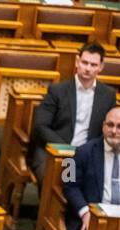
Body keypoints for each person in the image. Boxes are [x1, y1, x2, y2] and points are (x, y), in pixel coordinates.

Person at [31, 44, 115, 181]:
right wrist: (67, 149)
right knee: (63, 181)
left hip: (89, 154)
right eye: (84, 63)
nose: (88, 68)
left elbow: (108, 130)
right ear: (77, 62)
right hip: (56, 151)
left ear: (101, 67)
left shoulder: (108, 95)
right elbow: (40, 126)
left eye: (93, 65)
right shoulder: (57, 90)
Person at [62, 105, 120, 230]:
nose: (114, 131)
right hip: (94, 216)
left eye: (119, 127)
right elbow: (69, 186)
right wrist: (85, 212)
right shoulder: (81, 151)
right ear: (103, 126)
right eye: (110, 125)